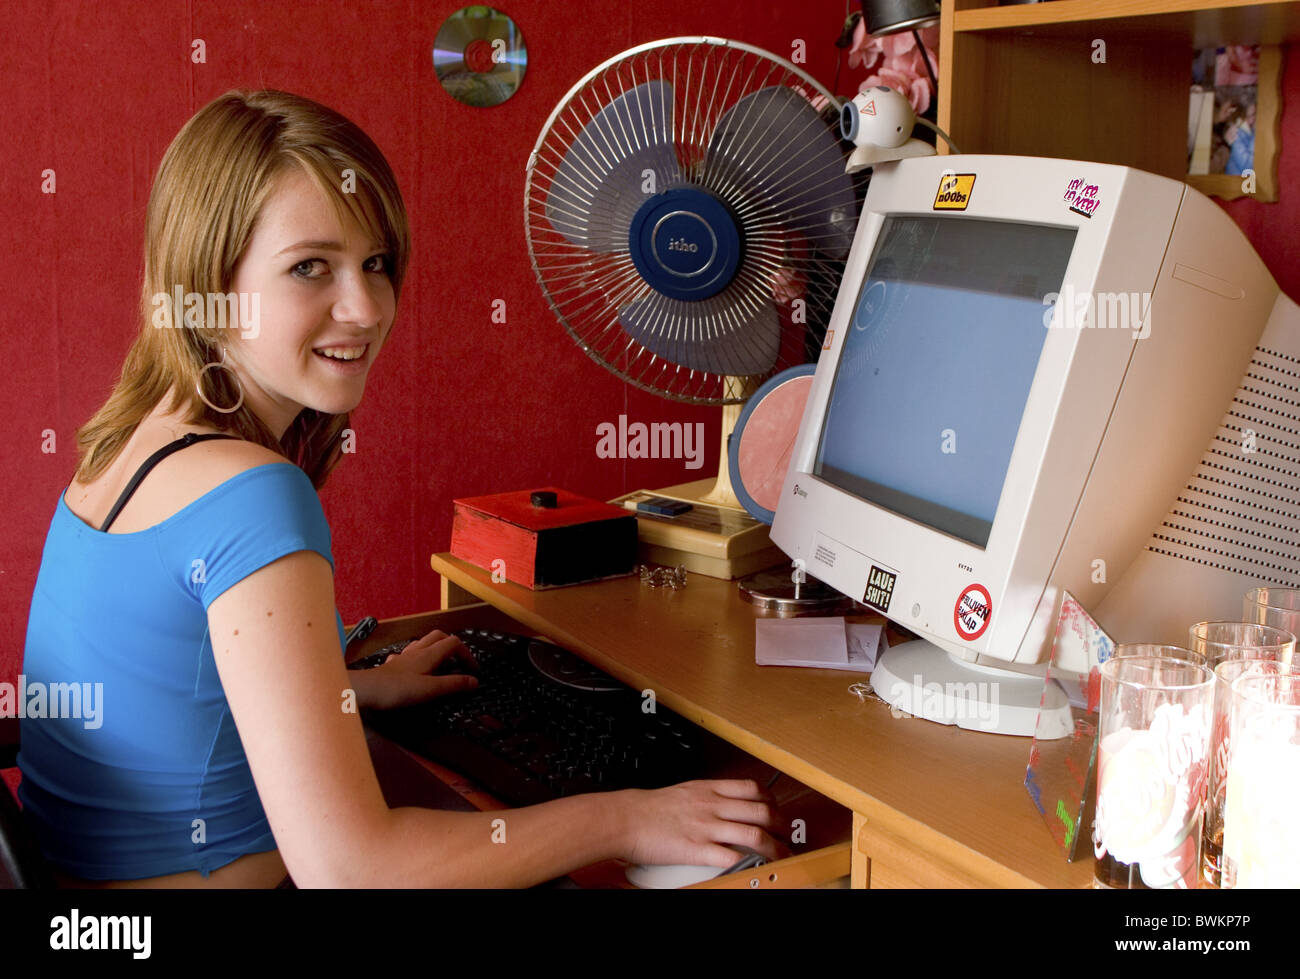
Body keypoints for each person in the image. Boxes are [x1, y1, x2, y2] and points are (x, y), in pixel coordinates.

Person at [18, 89, 783, 888]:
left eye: (375, 262)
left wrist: (341, 690)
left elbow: (169, 692)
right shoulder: (252, 494)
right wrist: (628, 818)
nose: (367, 307)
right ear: (210, 282)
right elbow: (352, 870)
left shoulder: (122, 447)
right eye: (310, 266)